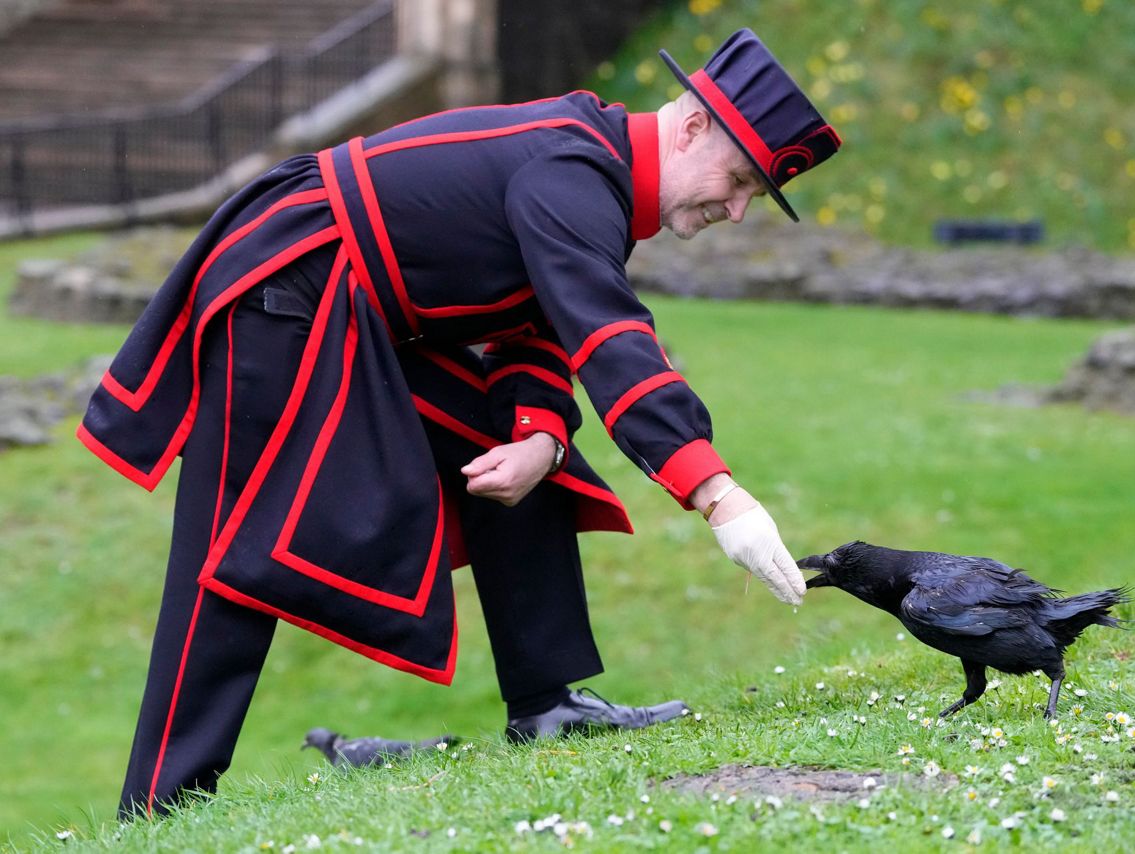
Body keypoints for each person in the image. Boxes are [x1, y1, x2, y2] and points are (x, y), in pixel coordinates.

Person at [78, 28, 841, 819]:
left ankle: (546, 709)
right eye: (740, 178)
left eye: (757, 193)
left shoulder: (597, 170)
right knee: (235, 546)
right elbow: (610, 340)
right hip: (281, 291)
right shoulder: (576, 170)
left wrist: (540, 438)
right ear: (689, 128)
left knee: (523, 446)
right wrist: (719, 496)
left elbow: (536, 326)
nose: (739, 209)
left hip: (352, 310)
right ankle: (161, 808)